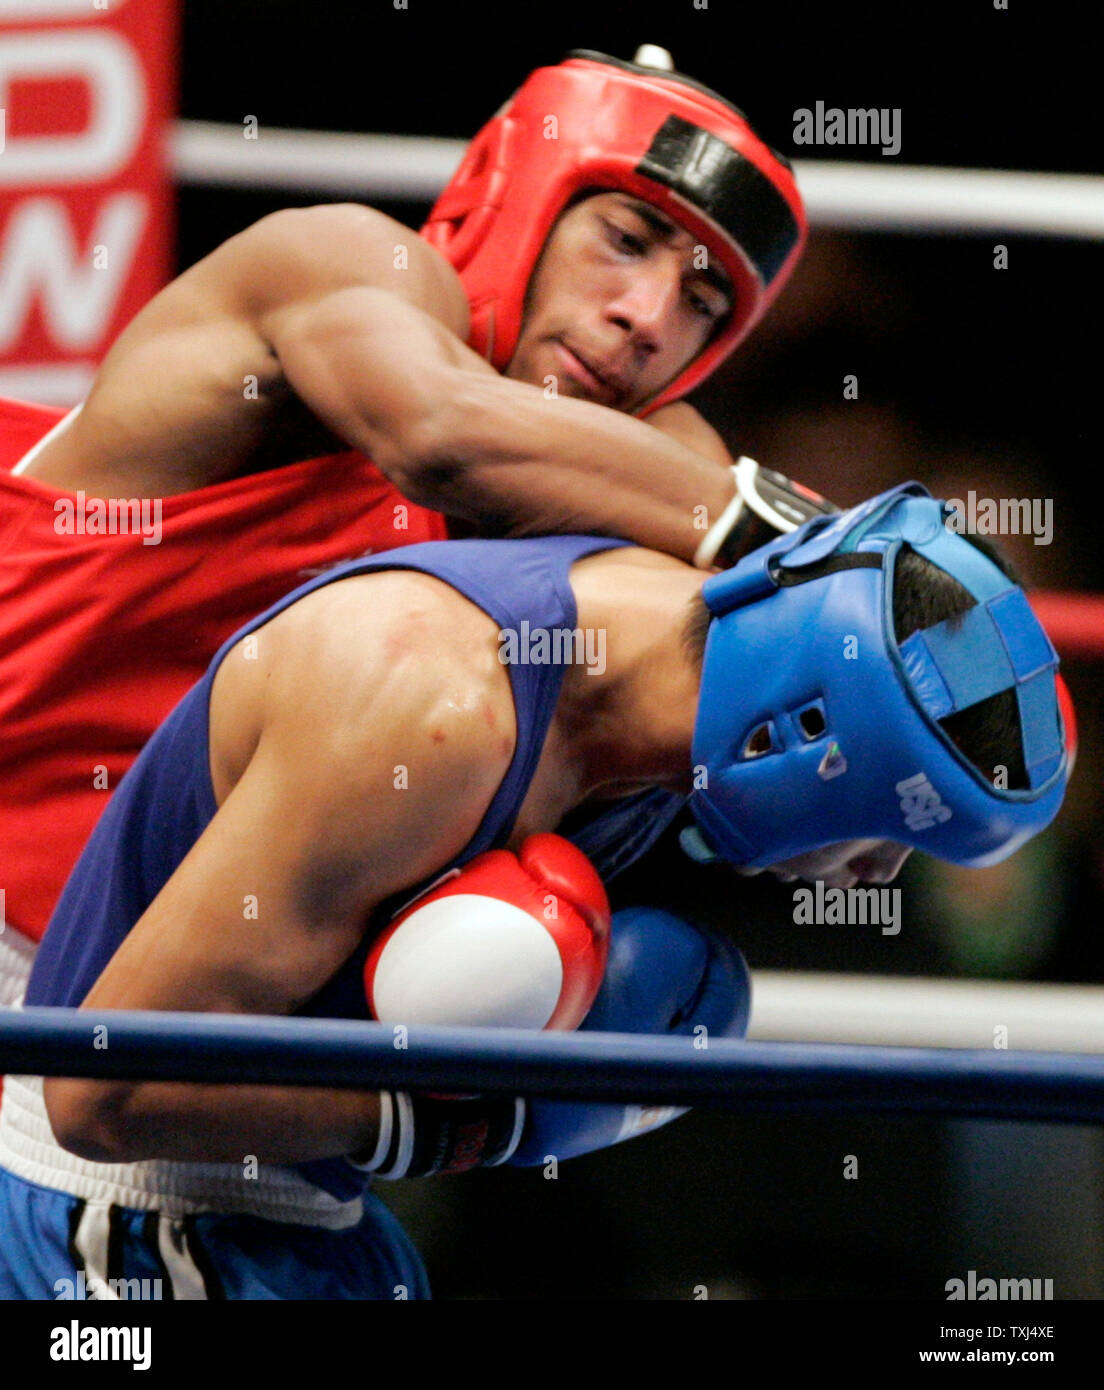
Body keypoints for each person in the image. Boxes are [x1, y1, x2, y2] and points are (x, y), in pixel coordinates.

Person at [0, 484, 1068, 1299]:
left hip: (306, 1222)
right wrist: (450, 1128)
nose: (878, 877)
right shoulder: (432, 715)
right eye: (886, 840)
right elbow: (99, 1093)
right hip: (120, 1225)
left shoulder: (675, 655)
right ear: (799, 741)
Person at [0, 47, 825, 971]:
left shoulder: (662, 470)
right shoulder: (337, 264)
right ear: (518, 204)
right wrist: (769, 530)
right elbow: (439, 434)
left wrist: (838, 773)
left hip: (164, 978)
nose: (647, 316)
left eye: (702, 300)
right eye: (625, 242)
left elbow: (753, 699)